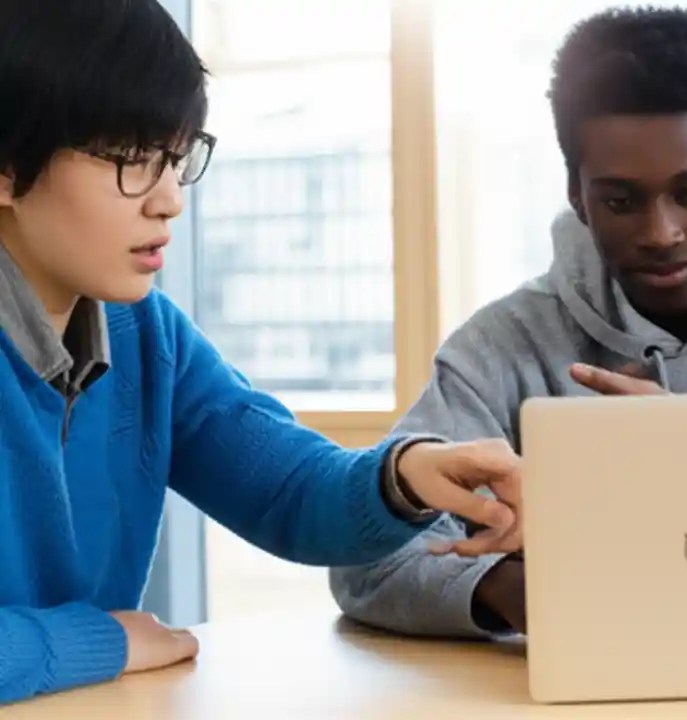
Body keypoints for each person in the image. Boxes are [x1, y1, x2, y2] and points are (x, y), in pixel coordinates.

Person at [0, 0, 521, 705]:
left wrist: (406, 475)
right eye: (128, 160)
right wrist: (106, 640)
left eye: (176, 158)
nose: (168, 201)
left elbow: (289, 491)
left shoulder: (145, 332)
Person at [330, 6, 687, 639]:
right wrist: (531, 593)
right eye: (620, 201)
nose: (661, 233)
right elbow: (364, 557)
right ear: (578, 195)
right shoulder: (505, 344)